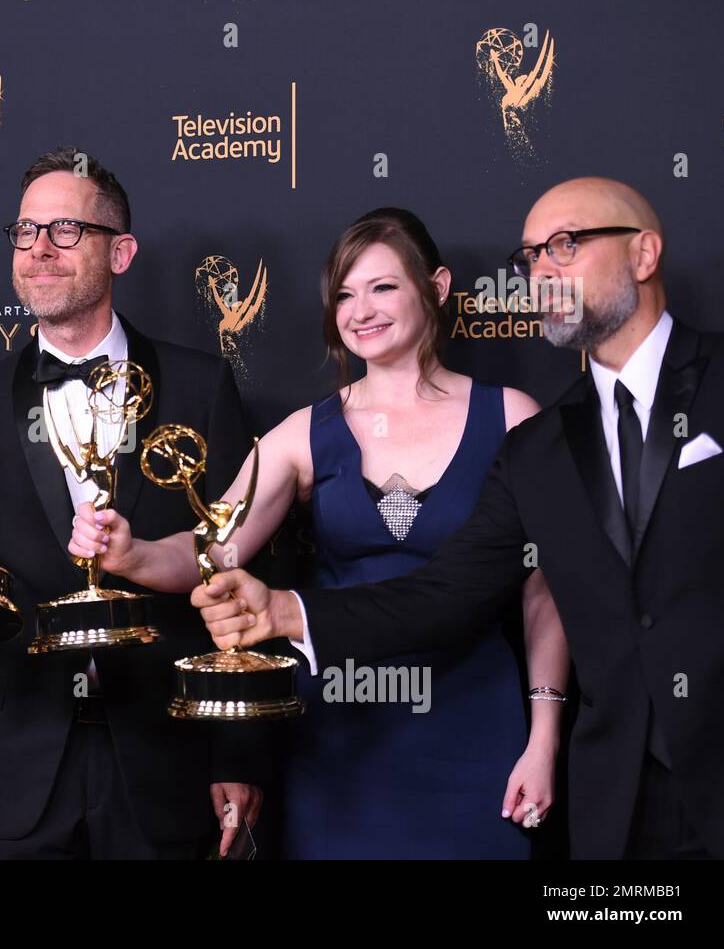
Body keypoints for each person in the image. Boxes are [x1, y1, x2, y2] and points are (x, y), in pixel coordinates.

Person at [193, 178, 724, 860]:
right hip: (617, 798)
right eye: (530, 256)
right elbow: (444, 593)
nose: (543, 272)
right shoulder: (547, 442)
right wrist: (286, 611)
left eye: (565, 245)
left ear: (645, 253)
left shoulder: (714, 380)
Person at [71, 208, 569, 858]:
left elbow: (543, 595)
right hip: (342, 737)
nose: (361, 309)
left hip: (477, 728)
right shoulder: (303, 432)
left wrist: (544, 736)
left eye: (383, 287)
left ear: (438, 286)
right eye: (344, 293)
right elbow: (211, 550)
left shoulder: (511, 418)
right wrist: (130, 553)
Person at [0, 147, 267, 859]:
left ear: (122, 251)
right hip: (17, 763)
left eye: (66, 230)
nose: (39, 249)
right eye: (25, 231)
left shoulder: (201, 387)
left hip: (166, 753)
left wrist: (238, 748)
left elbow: (245, 575)